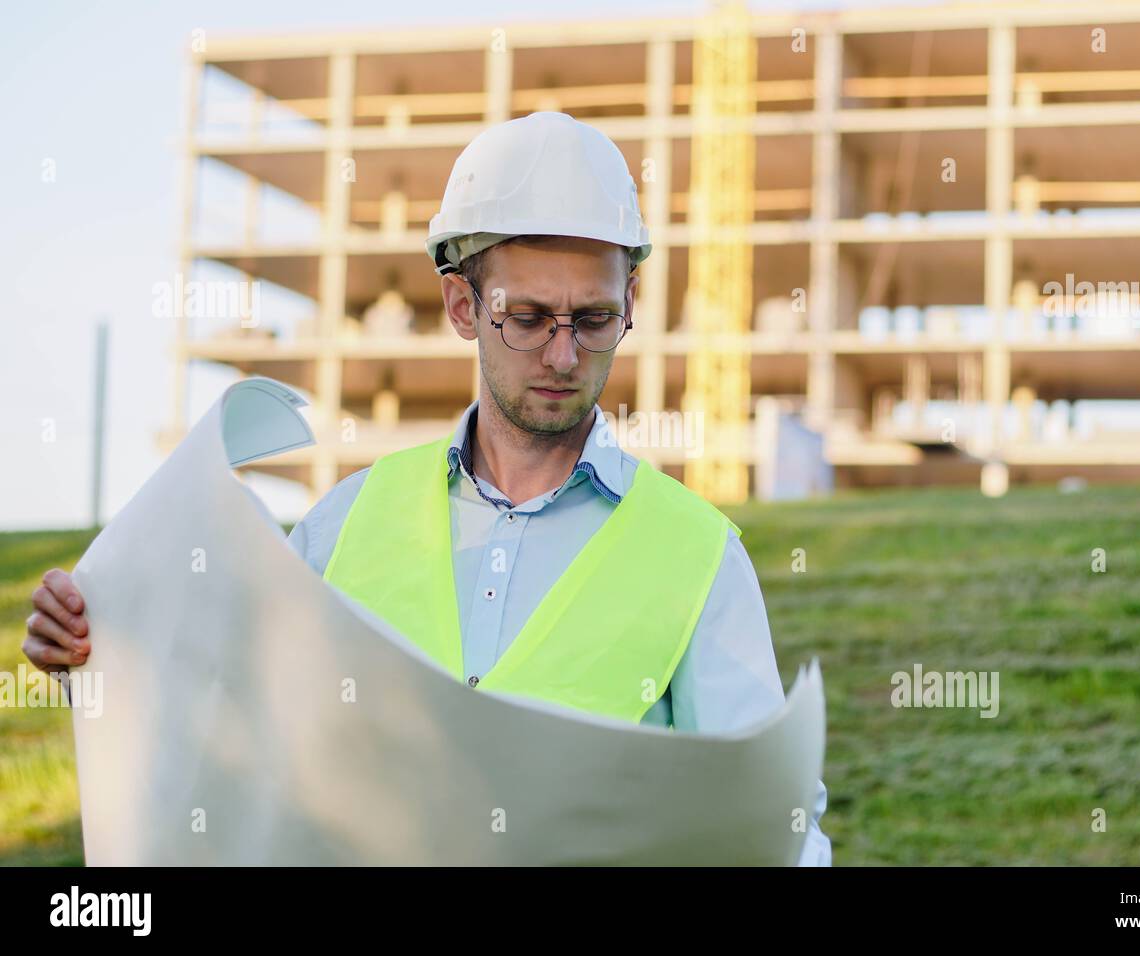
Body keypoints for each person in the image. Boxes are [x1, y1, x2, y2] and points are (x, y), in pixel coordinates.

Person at [24, 111, 831, 865]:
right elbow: (228, 739)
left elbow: (774, 826)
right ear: (461, 304)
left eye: (592, 320)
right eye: (527, 317)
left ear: (629, 306)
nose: (561, 356)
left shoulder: (696, 556)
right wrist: (102, 660)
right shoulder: (345, 521)